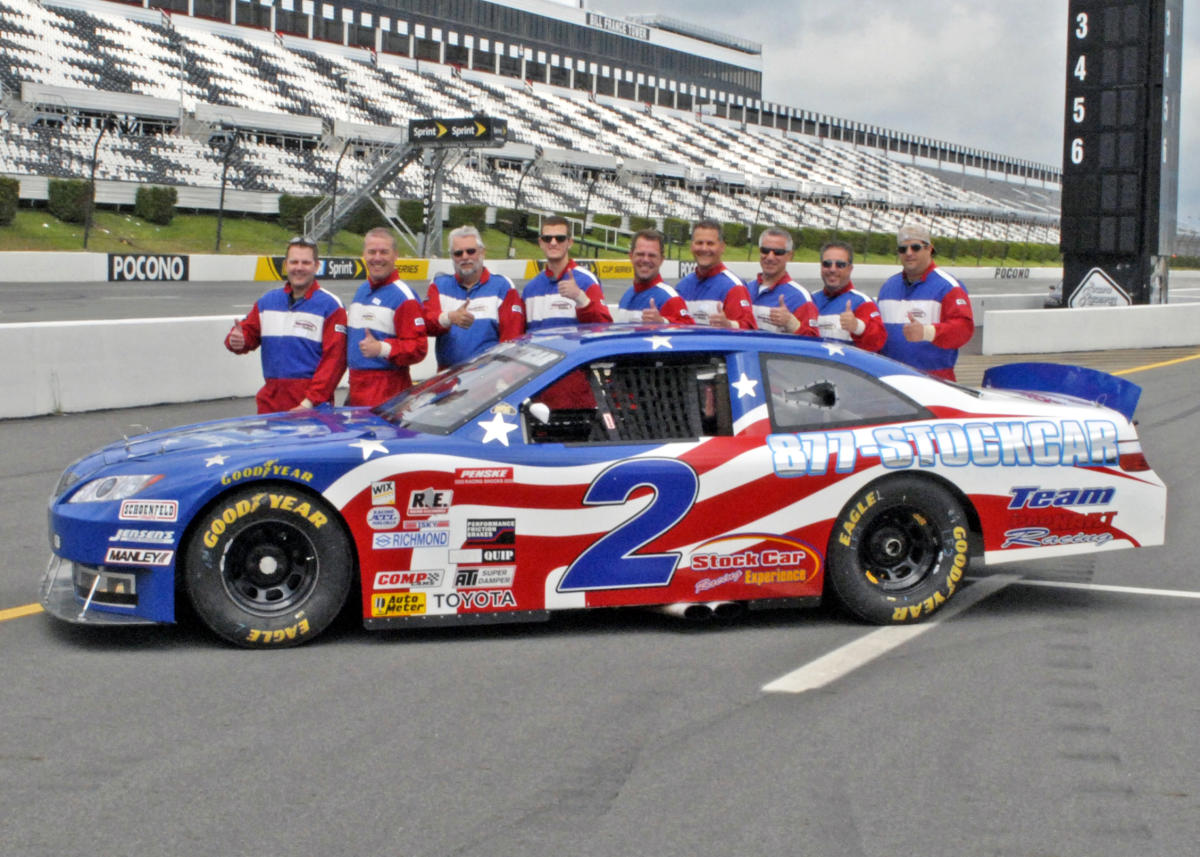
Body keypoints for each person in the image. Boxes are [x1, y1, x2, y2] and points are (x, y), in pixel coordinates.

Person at [225, 236, 347, 414]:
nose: (299, 268)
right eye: (294, 262)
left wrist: (309, 403)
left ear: (316, 266)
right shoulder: (268, 301)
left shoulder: (331, 306)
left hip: (312, 409)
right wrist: (235, 340)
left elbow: (335, 362)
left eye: (305, 262)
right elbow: (245, 335)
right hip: (270, 407)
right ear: (286, 265)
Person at [877, 223, 974, 380]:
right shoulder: (888, 287)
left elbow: (964, 329)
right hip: (891, 379)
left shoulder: (948, 286)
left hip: (934, 381)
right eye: (902, 249)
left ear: (929, 249)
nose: (908, 253)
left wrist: (927, 332)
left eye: (915, 247)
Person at [345, 228, 428, 407]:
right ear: (364, 255)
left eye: (384, 252)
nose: (377, 258)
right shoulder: (362, 291)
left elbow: (419, 348)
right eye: (372, 252)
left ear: (395, 255)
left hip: (387, 392)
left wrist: (382, 348)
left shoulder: (404, 297)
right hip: (356, 388)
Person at [423, 225, 525, 370]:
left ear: (482, 252)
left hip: (487, 377)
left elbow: (512, 340)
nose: (465, 257)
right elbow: (425, 324)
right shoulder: (439, 285)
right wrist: (449, 318)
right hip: (447, 378)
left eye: (470, 251)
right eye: (458, 253)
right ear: (452, 257)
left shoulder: (503, 286)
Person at [522, 215, 612, 331]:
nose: (553, 243)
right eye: (547, 238)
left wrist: (580, 298)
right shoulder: (530, 289)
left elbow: (604, 327)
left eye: (560, 238)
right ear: (540, 242)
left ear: (570, 242)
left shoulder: (587, 281)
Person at [674, 219, 756, 329]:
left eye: (710, 243)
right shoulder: (683, 285)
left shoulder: (734, 287)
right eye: (699, 243)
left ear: (722, 247)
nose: (704, 248)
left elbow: (750, 330)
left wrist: (729, 325)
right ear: (691, 246)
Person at [809, 240, 886, 351]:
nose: (832, 269)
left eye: (840, 265)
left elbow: (878, 343)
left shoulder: (862, 302)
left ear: (850, 269)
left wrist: (857, 327)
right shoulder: (809, 299)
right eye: (827, 264)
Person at [614, 229, 693, 324]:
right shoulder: (626, 296)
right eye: (640, 254)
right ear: (631, 257)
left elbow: (689, 331)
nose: (645, 259)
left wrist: (663, 322)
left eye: (652, 255)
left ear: (661, 260)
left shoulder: (670, 299)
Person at [748, 227, 817, 335]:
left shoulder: (800, 297)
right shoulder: (745, 289)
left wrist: (790, 322)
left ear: (790, 256)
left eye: (778, 252)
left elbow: (814, 343)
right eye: (765, 251)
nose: (770, 257)